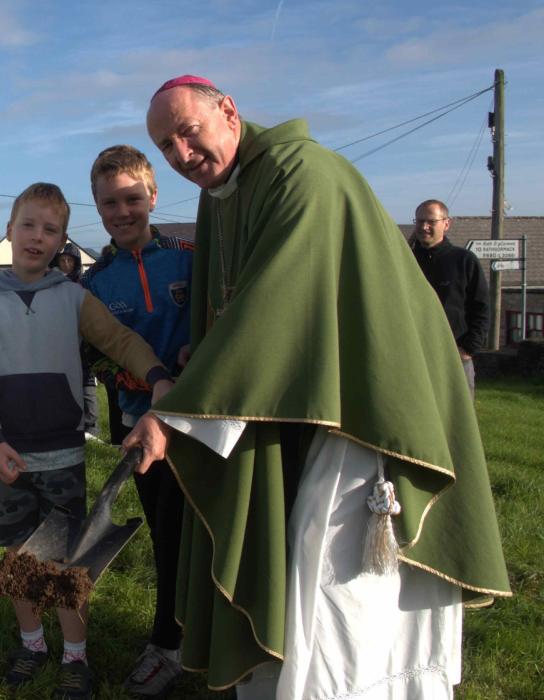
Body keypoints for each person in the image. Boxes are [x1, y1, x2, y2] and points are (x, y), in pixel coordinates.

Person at [126, 75, 509, 699]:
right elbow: (230, 306)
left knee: (335, 563)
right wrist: (205, 354)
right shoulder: (220, 196)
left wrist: (177, 412)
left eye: (186, 133)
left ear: (228, 110)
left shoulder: (302, 174)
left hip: (359, 402)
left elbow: (279, 300)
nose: (180, 155)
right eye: (165, 146)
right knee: (293, 556)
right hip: (292, 396)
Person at [0, 183, 174, 700]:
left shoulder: (75, 298)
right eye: (28, 225)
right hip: (6, 457)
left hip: (62, 456)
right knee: (18, 560)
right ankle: (32, 644)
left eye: (50, 230)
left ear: (61, 243)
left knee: (67, 562)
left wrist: (159, 374)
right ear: (9, 231)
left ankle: (75, 657)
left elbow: (120, 342)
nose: (37, 237)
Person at [81, 144, 193, 699]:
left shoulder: (190, 257)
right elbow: (92, 354)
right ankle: (167, 648)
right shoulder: (97, 283)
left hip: (204, 422)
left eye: (132, 198)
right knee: (168, 536)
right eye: (110, 204)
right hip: (141, 432)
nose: (122, 212)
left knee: (218, 535)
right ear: (98, 209)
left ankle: (222, 639)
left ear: (152, 195)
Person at [411, 199, 489, 399]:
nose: (424, 227)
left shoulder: (464, 260)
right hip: (414, 355)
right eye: (419, 221)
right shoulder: (406, 260)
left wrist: (468, 349)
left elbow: (481, 307)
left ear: (446, 224)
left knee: (458, 420)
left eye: (431, 221)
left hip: (456, 356)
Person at [50, 241, 99, 438]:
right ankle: (70, 426)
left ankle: (92, 428)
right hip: (61, 340)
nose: (66, 264)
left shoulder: (84, 283)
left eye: (70, 260)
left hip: (84, 340)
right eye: (63, 260)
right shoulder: (51, 283)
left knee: (88, 385)